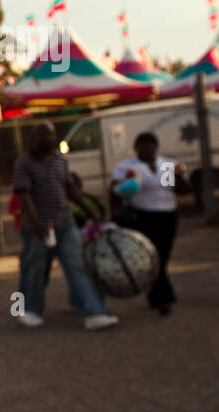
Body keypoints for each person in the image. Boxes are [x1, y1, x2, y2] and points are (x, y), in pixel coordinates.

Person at [12, 123, 118, 330]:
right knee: (34, 270)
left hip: (65, 223)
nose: (47, 138)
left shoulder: (60, 160)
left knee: (78, 265)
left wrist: (90, 211)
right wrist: (36, 223)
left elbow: (70, 189)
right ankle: (28, 310)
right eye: (42, 135)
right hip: (38, 227)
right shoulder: (24, 163)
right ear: (34, 138)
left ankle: (94, 311)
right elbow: (24, 195)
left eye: (50, 134)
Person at [111, 131, 187, 315]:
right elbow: (115, 191)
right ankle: (163, 297)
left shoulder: (164, 165)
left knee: (162, 255)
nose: (147, 150)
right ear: (137, 148)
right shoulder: (129, 167)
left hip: (167, 215)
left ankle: (157, 293)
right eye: (143, 146)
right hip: (143, 216)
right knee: (153, 256)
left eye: (151, 146)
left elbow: (171, 189)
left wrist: (180, 177)